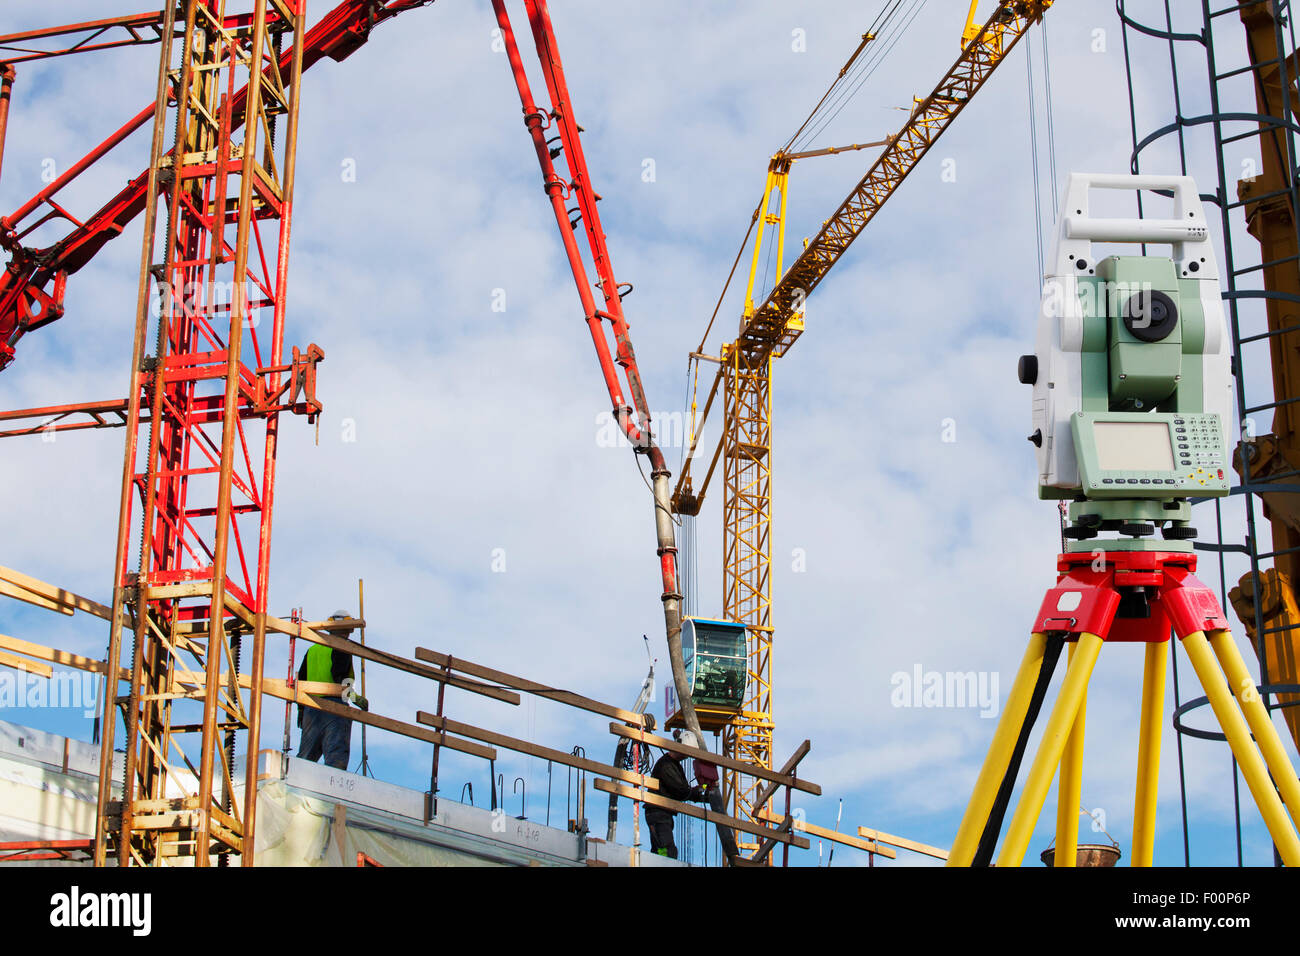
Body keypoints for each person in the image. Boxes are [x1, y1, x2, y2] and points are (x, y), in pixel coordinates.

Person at [645, 730, 739, 864]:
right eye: (686, 752)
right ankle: (660, 863)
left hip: (662, 814)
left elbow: (684, 790)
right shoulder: (666, 766)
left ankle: (657, 862)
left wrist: (702, 790)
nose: (686, 757)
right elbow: (682, 791)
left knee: (661, 849)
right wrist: (700, 792)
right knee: (666, 850)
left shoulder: (674, 765)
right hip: (658, 814)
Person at [296, 610, 358, 770]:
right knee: (335, 758)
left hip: (311, 708)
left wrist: (301, 711)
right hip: (334, 707)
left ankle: (296, 783)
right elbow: (339, 677)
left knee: (305, 759)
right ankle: (332, 789)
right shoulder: (342, 646)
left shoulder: (313, 650)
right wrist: (355, 698)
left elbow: (301, 679)